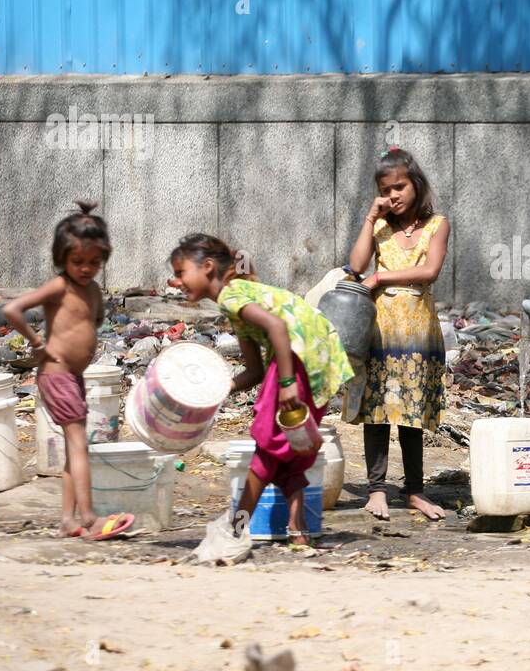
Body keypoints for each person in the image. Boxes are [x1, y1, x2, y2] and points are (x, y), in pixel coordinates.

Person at [168, 234, 353, 545]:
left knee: (267, 449)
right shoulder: (236, 300)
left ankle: (235, 530)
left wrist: (286, 382)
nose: (175, 282)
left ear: (208, 267)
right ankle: (300, 532)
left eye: (180, 272)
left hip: (298, 358)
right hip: (316, 356)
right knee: (288, 450)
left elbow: (278, 329)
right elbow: (253, 371)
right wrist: (215, 391)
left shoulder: (231, 296)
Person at [3, 201, 135, 540]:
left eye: (94, 262)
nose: (86, 268)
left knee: (72, 448)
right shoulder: (59, 286)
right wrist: (35, 341)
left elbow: (91, 319)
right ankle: (89, 516)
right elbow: (13, 309)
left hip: (72, 377)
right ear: (62, 259)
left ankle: (68, 520)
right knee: (79, 445)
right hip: (56, 373)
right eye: (77, 261)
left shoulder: (93, 290)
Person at [345, 146, 451, 522]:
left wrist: (382, 276)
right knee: (377, 410)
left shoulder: (437, 225)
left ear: (416, 185)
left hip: (418, 330)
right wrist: (370, 217)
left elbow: (429, 271)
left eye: (400, 187)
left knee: (411, 411)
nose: (393, 196)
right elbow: (357, 266)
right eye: (386, 190)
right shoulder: (379, 226)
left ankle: (415, 491)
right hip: (380, 327)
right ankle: (376, 490)